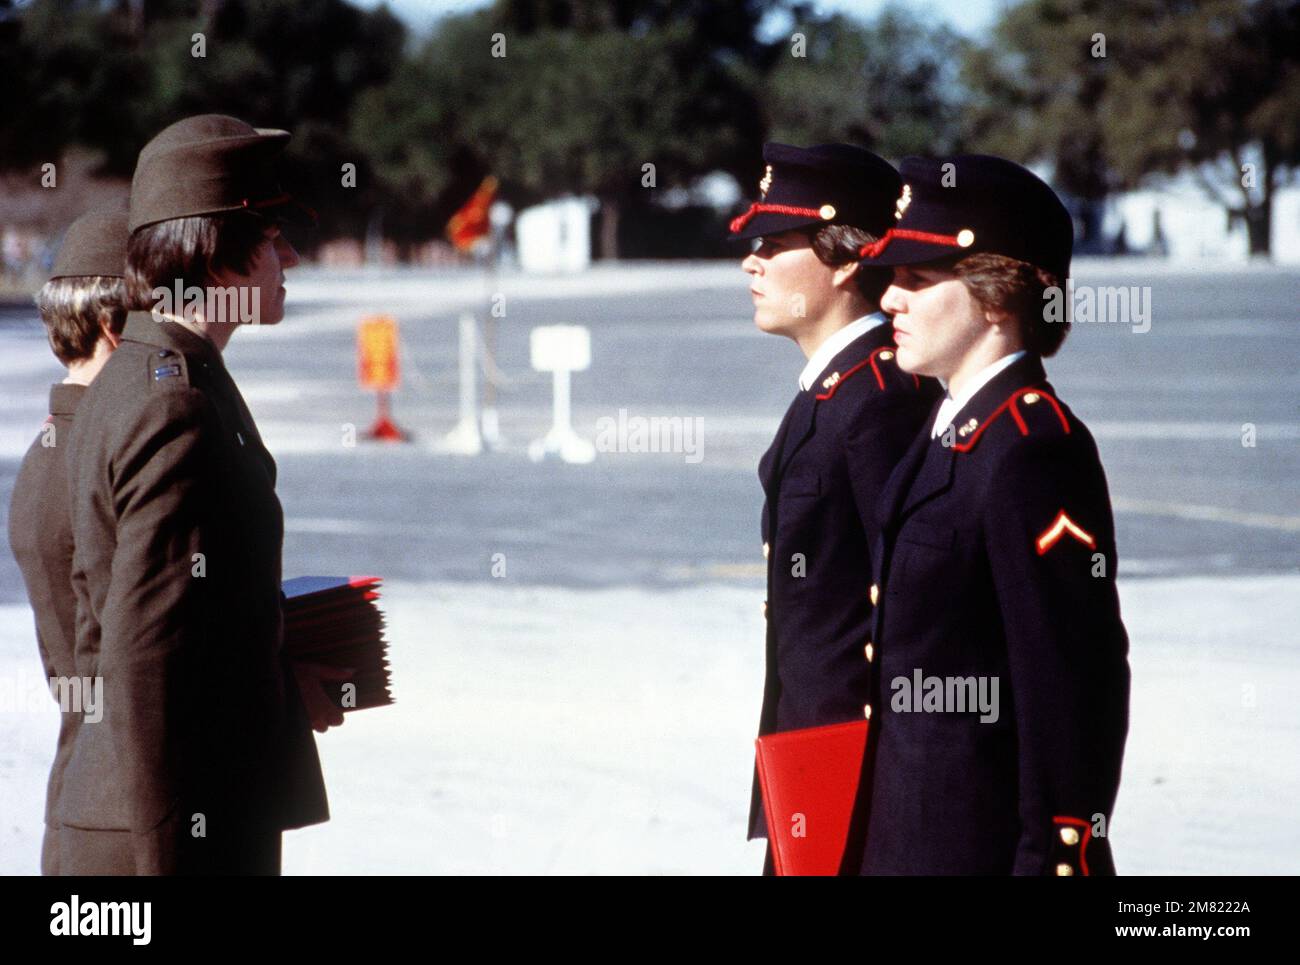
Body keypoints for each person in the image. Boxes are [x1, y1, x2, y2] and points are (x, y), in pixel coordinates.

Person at [61, 114, 347, 875]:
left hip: (138, 811)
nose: (290, 257)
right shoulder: (174, 404)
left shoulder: (145, 376)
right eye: (273, 235)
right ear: (213, 253)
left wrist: (280, 685)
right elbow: (144, 659)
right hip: (168, 831)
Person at [853, 155, 1131, 875]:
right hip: (905, 839)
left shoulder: (1031, 453)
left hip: (979, 849)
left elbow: (1070, 684)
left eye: (917, 279)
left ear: (997, 298)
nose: (889, 300)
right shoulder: (947, 428)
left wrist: (1054, 857)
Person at [732, 143, 940, 874]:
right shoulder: (836, 388)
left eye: (775, 244)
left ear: (847, 260)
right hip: (814, 761)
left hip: (856, 770)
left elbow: (912, 616)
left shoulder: (877, 399)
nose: (750, 264)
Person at [8, 205, 128, 875]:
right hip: (110, 807)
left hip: (82, 793)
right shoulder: (89, 456)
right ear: (113, 327)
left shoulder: (53, 448)